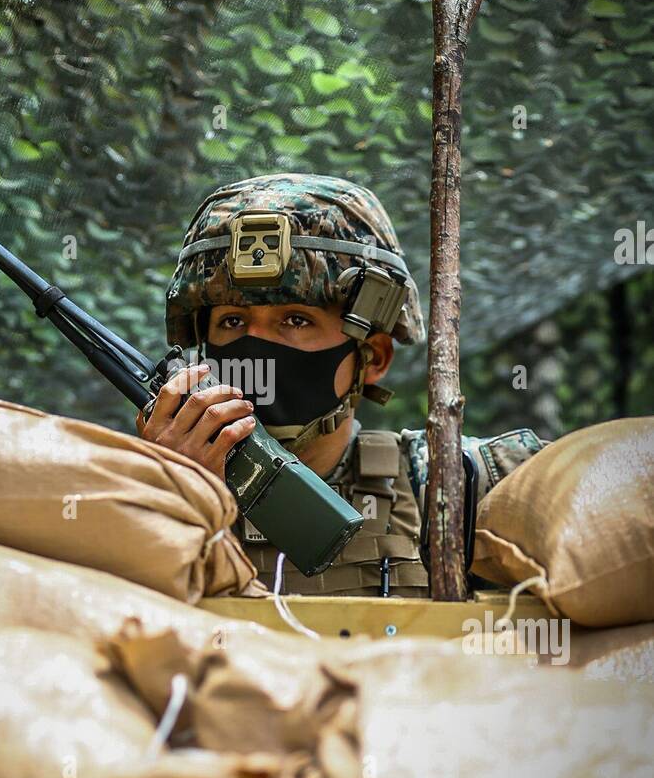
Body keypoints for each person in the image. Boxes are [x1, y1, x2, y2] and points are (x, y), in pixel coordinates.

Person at [137, 173, 544, 596]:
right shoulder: (142, 488)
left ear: (373, 358)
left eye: (296, 320)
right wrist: (168, 496)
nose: (255, 347)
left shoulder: (453, 485)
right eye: (232, 321)